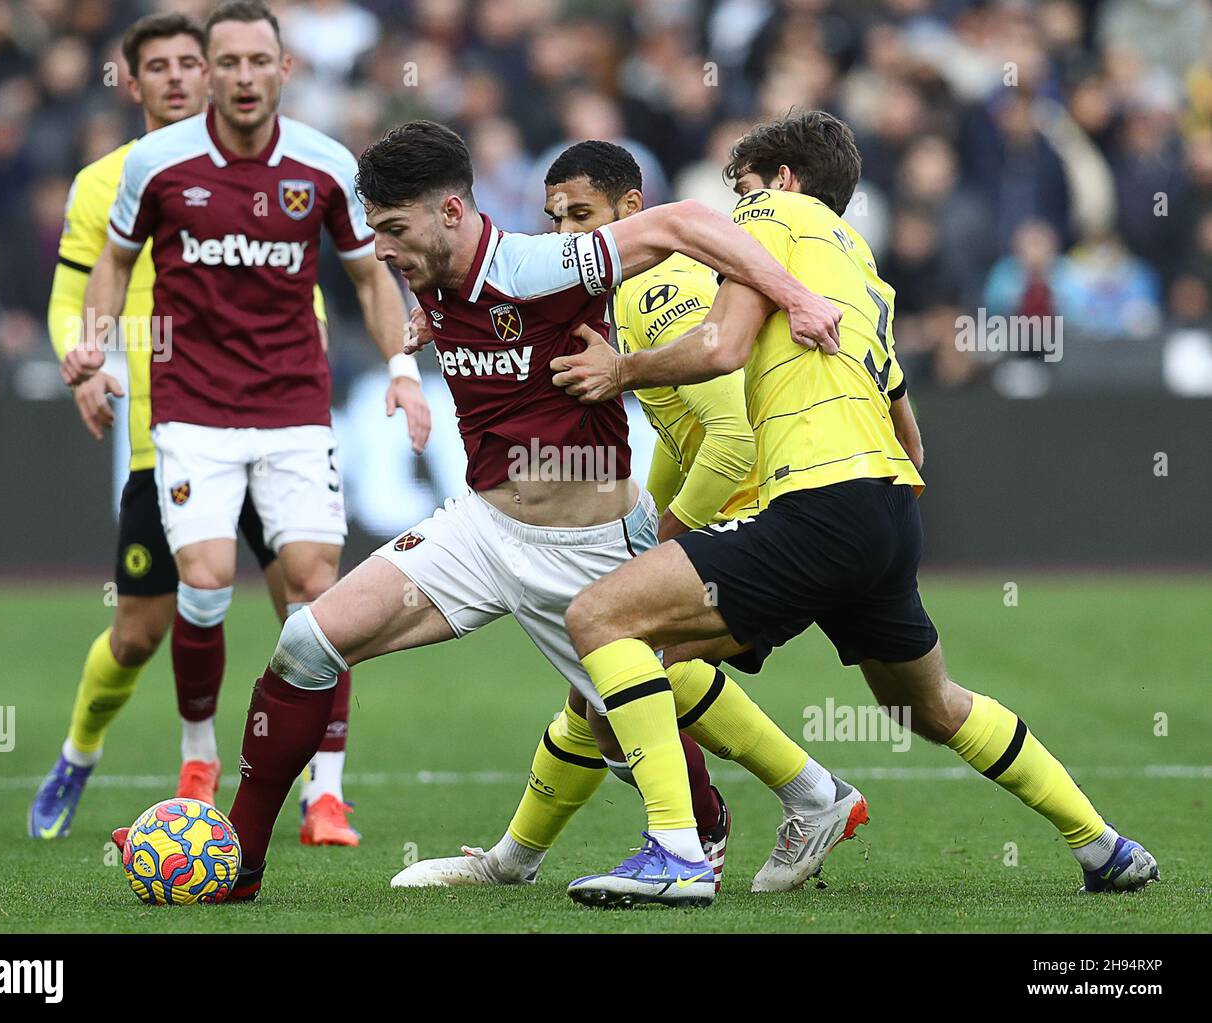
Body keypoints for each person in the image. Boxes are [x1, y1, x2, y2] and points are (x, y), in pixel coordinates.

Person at [141, 114, 843, 905]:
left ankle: (707, 828)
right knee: (306, 644)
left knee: (627, 725)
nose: (382, 251)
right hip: (479, 531)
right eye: (376, 231)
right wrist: (423, 324)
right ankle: (241, 865)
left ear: (451, 213)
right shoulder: (430, 279)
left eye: (395, 230)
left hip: (589, 547)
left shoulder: (542, 263)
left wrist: (796, 296)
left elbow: (684, 221)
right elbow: (450, 310)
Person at [551, 110, 1159, 899]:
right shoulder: (861, 268)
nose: (733, 210)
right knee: (931, 706)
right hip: (885, 508)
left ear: (783, 181)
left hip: (817, 501)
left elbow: (722, 347)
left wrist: (620, 369)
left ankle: (686, 850)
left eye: (742, 188)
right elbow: (910, 433)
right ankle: (1102, 844)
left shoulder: (769, 217)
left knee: (601, 620)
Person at [392, 139, 864, 898]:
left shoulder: (652, 289)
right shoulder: (605, 287)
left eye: (582, 217)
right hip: (795, 507)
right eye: (555, 220)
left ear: (630, 212)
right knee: (607, 684)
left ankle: (699, 835)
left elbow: (731, 437)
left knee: (621, 667)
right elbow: (681, 430)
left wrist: (666, 535)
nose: (565, 237)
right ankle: (525, 857)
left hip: (768, 515)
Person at [61, 1, 431, 843]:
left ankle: (324, 793)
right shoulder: (156, 165)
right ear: (211, 71)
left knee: (317, 595)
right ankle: (199, 756)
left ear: (283, 68)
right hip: (191, 408)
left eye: (257, 62)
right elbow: (114, 264)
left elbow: (373, 280)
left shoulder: (325, 164)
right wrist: (96, 349)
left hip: (296, 406)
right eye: (225, 63)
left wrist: (405, 371)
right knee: (203, 583)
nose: (241, 77)